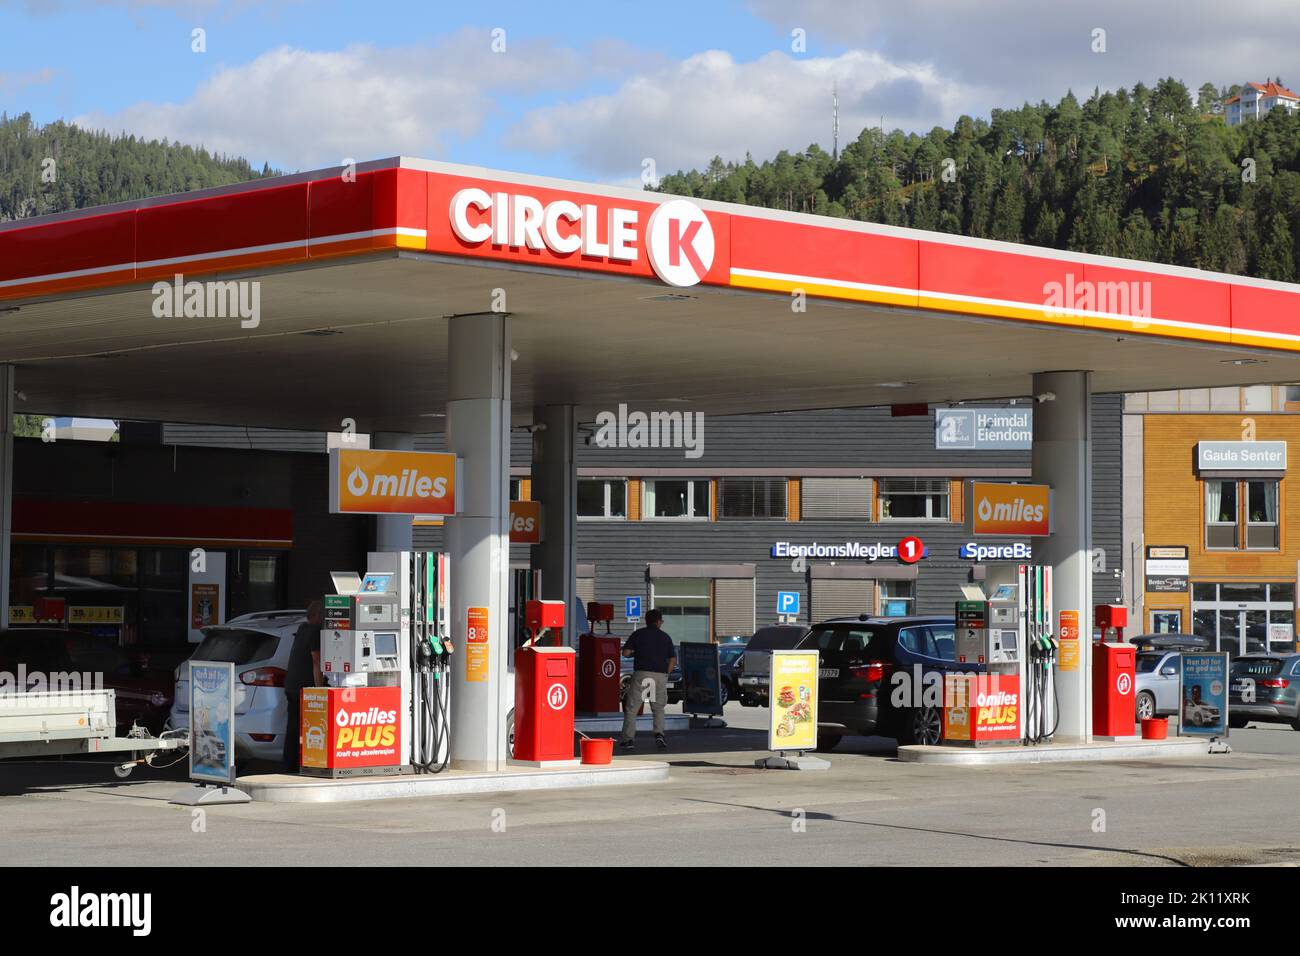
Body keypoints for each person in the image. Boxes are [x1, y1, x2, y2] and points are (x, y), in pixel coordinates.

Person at [619, 608, 676, 751]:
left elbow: (625, 652)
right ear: (658, 622)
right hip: (659, 676)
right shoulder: (665, 637)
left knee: (632, 708)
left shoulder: (638, 634)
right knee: (658, 708)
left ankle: (628, 740)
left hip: (642, 674)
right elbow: (672, 660)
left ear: (646, 621)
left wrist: (635, 653)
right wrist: (665, 675)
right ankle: (659, 734)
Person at [283, 600, 324, 771]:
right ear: (317, 616)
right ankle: (305, 764)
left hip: (291, 686)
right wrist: (320, 689)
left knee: (293, 728)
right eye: (323, 615)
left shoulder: (301, 629)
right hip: (304, 689)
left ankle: (290, 765)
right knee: (306, 728)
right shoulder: (314, 631)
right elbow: (316, 661)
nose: (325, 619)